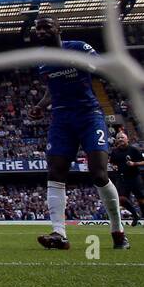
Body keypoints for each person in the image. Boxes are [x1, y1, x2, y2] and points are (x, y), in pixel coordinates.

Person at [28, 16, 129, 250]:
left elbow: (100, 66)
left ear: (58, 28)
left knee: (98, 173)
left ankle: (118, 230)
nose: (41, 31)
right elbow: (51, 91)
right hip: (61, 119)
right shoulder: (43, 60)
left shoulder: (79, 47)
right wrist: (39, 107)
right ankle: (59, 234)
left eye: (46, 27)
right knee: (55, 171)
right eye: (38, 29)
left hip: (88, 115)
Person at [108, 130, 144, 227]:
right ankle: (135, 214)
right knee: (121, 199)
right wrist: (114, 166)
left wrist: (134, 164)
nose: (120, 139)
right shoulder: (115, 152)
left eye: (122, 137)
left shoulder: (133, 150)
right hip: (122, 178)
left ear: (127, 139)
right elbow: (112, 162)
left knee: (141, 199)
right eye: (118, 138)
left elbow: (143, 162)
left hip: (134, 177)